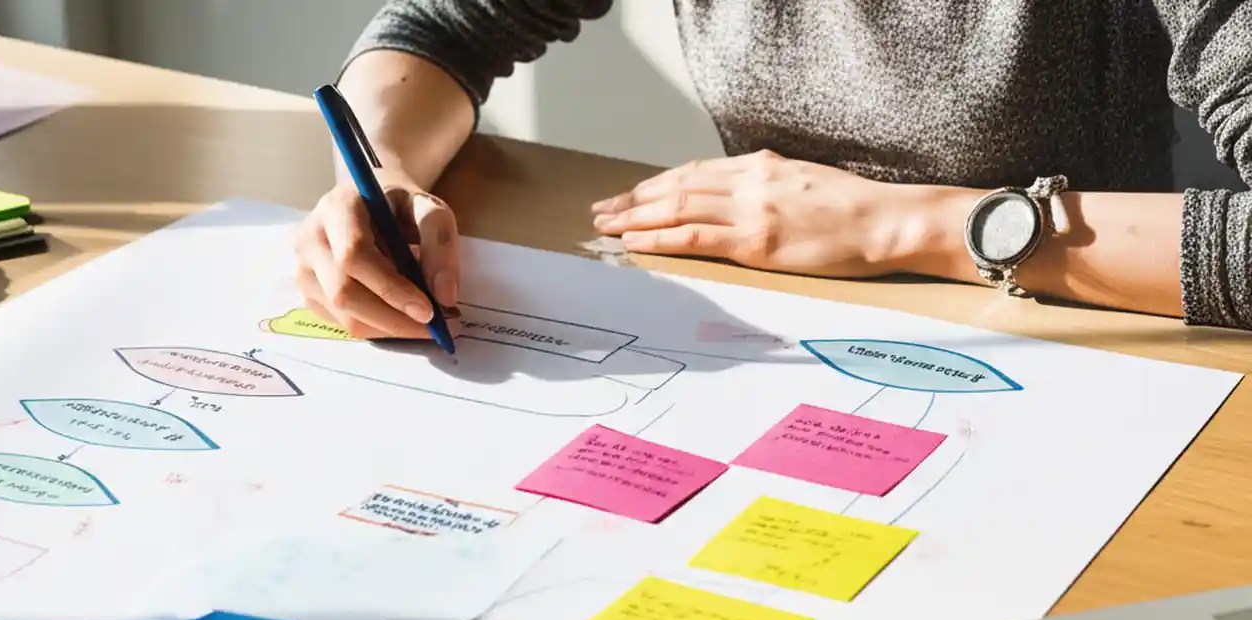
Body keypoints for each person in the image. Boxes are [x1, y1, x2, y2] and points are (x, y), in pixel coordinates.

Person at [293, 1, 1251, 339]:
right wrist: (374, 179)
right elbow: (441, 28)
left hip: (1081, 344)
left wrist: (902, 226)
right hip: (776, 332)